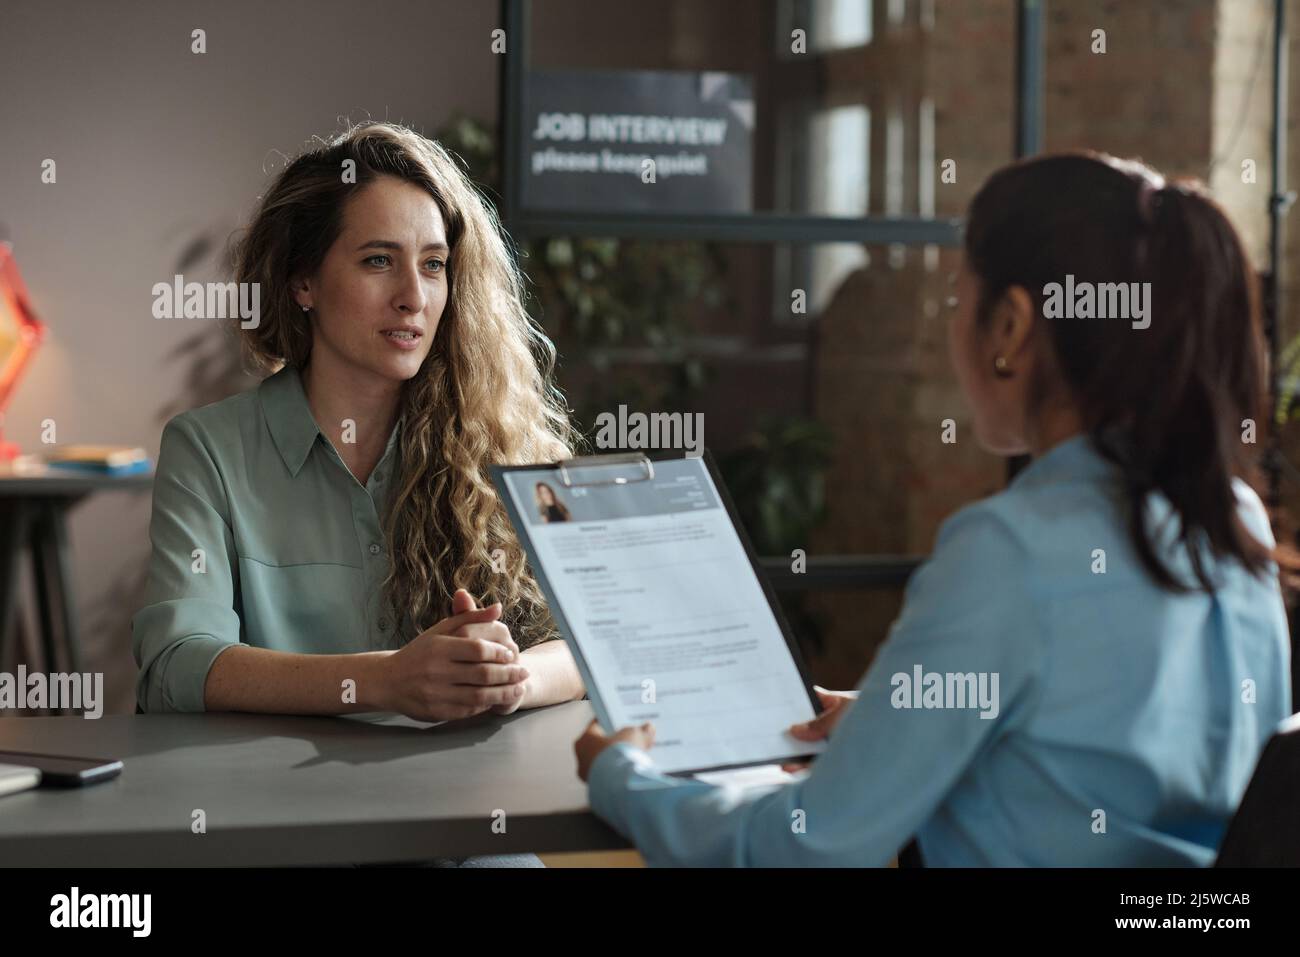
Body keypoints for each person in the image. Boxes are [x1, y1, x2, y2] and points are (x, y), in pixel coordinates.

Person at [574, 151, 1293, 866]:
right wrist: (904, 716)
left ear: (1010, 327)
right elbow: (1116, 758)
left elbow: (801, 848)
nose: (951, 327)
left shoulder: (1012, 549)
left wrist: (621, 777)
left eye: (958, 299)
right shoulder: (1234, 522)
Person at [133, 122, 586, 729]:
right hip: (273, 806)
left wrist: (503, 679)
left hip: (467, 800)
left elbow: (592, 639)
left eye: (433, 265)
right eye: (378, 260)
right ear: (303, 282)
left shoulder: (503, 446)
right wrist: (384, 680)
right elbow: (175, 665)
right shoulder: (208, 450)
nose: (413, 298)